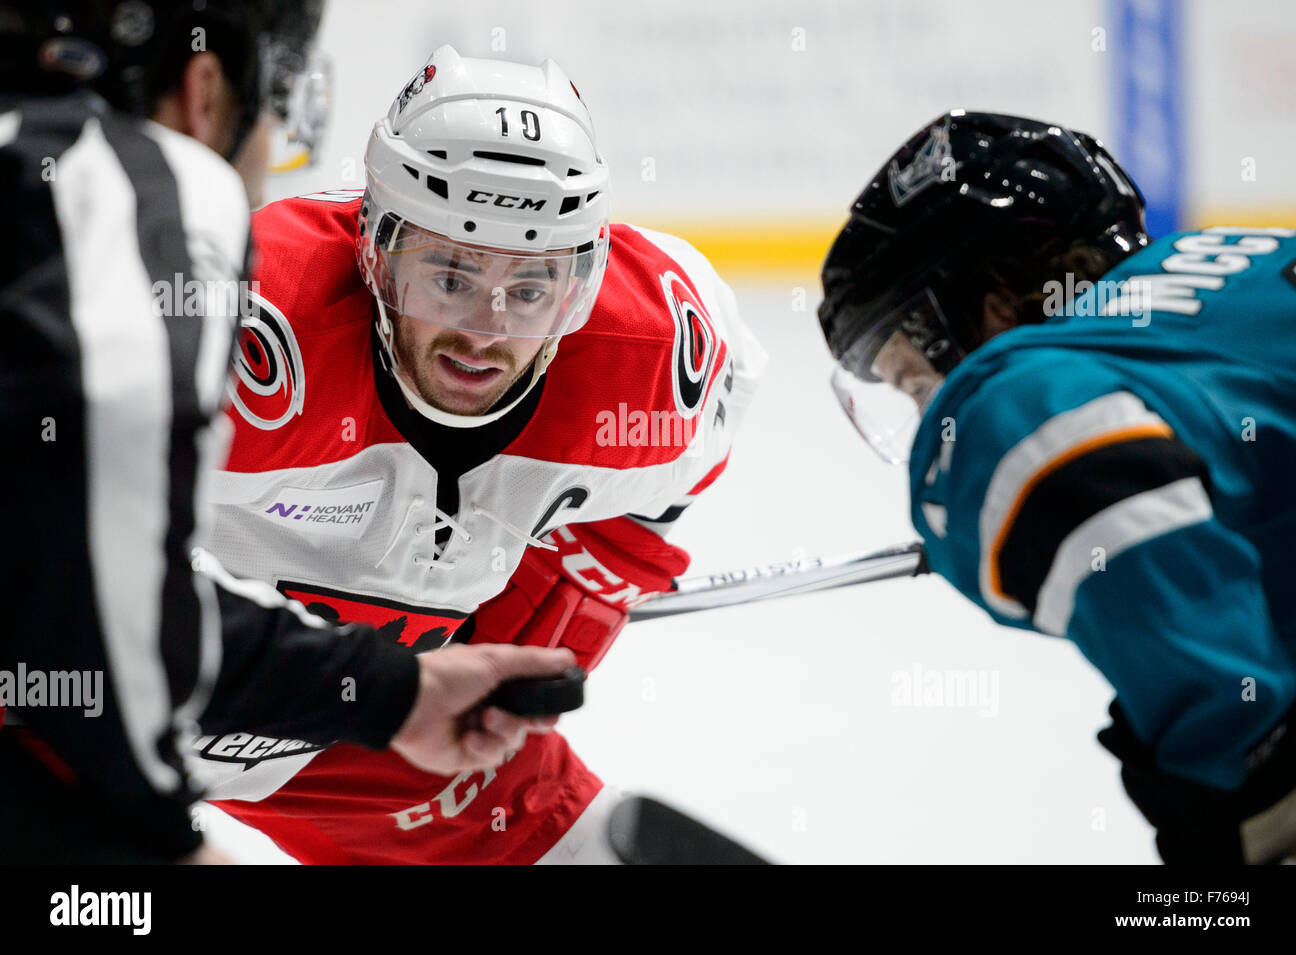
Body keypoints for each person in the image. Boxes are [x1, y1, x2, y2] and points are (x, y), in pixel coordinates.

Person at [0, 2, 573, 865]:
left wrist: (392, 688)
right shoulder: (126, 181)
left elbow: (66, 592)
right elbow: (98, 614)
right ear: (205, 90)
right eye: (271, 103)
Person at [194, 45, 768, 864]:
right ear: (375, 250)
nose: (487, 328)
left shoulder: (645, 353)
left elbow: (693, 449)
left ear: (579, 284)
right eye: (450, 275)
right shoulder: (248, 324)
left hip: (359, 738)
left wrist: (572, 603)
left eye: (531, 287)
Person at [818, 109, 1296, 864]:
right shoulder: (1228, 297)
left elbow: (1054, 463)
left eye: (918, 385)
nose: (933, 412)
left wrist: (1235, 792)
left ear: (996, 312)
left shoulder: (1024, 392)